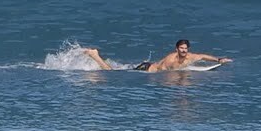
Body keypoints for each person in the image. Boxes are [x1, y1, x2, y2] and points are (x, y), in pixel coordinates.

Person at [82, 39, 232, 72]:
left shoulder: (191, 56)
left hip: (148, 66)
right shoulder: (171, 60)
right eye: (181, 48)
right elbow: (168, 75)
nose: (184, 51)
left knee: (119, 68)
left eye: (186, 48)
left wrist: (219, 59)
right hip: (146, 69)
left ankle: (96, 56)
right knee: (111, 72)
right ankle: (94, 56)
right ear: (176, 49)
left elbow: (204, 56)